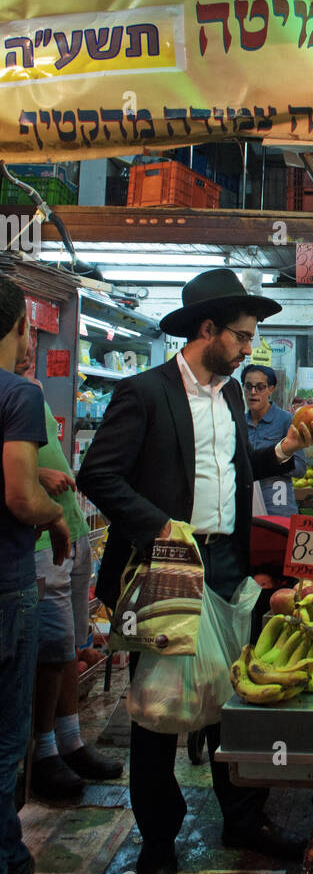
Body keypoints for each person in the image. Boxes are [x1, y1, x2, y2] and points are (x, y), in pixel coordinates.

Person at [77, 270, 313, 874]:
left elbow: (238, 471)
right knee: (158, 710)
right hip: (165, 571)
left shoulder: (233, 397)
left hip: (227, 565)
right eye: (241, 338)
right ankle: (158, 841)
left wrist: (285, 448)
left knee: (235, 696)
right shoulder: (145, 394)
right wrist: (158, 526)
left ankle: (243, 819)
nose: (249, 351)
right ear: (206, 330)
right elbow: (98, 476)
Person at [13, 338, 122, 800]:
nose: (27, 347)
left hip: (68, 529)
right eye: (23, 335)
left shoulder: (28, 391)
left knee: (66, 647)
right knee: (51, 652)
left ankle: (70, 741)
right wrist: (36, 478)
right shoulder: (12, 396)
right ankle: (45, 753)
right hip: (38, 537)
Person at [0, 275, 70, 874]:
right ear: (20, 325)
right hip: (5, 583)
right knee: (3, 741)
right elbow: (20, 496)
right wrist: (53, 516)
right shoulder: (18, 394)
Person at [242, 364, 306, 517]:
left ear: (271, 389)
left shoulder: (286, 421)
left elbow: (300, 469)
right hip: (247, 509)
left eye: (260, 387)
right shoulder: (238, 423)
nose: (253, 392)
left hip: (279, 509)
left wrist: (276, 458)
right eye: (248, 386)